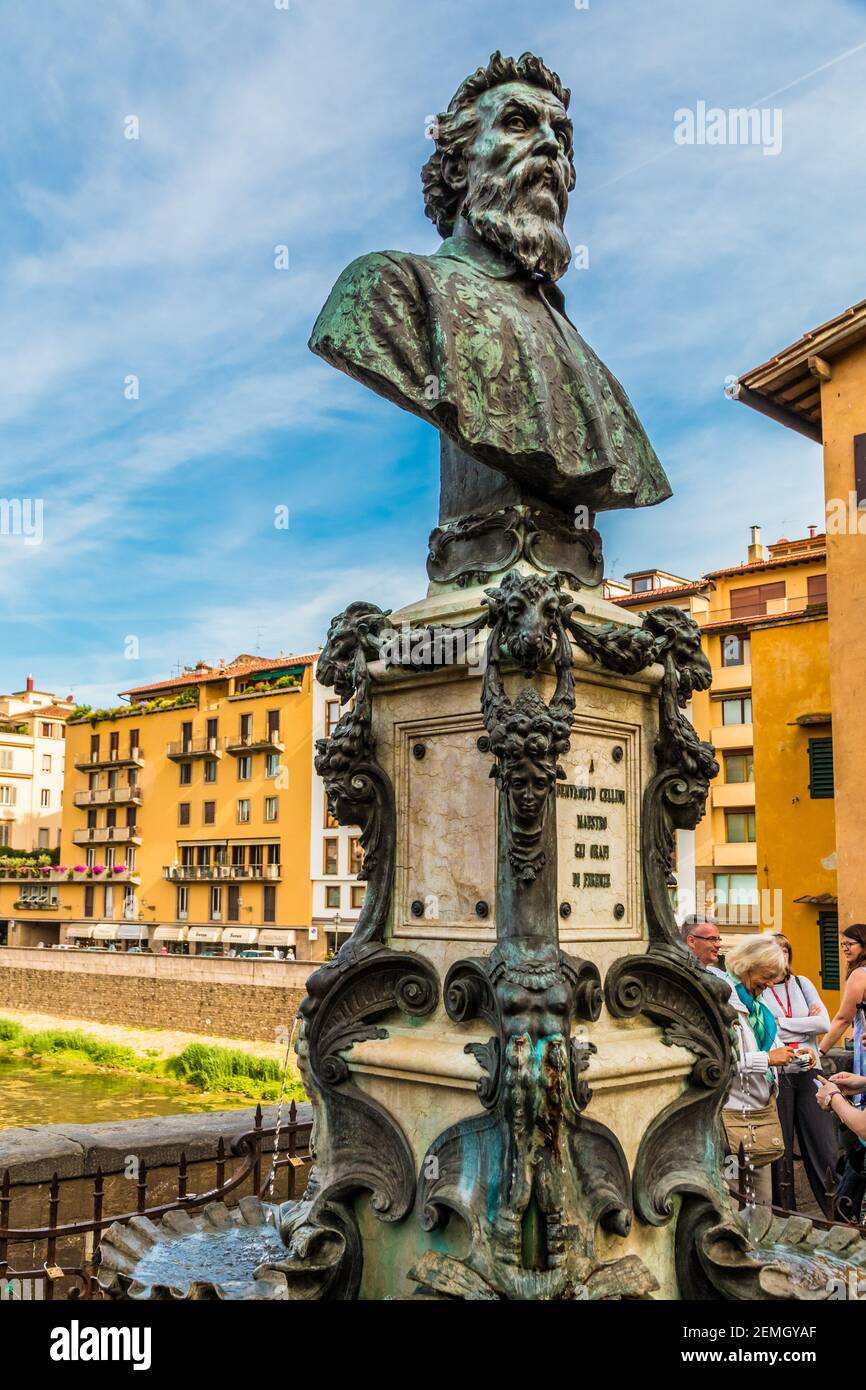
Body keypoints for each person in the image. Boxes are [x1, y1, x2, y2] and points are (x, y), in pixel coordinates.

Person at [721, 934, 801, 1204]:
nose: (769, 985)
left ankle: (758, 1245)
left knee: (762, 1202)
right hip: (732, 1119)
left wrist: (798, 1055)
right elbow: (723, 1063)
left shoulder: (758, 1005)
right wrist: (767, 1060)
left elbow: (775, 1046)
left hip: (760, 1117)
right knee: (730, 1196)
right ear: (747, 966)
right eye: (766, 976)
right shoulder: (725, 1003)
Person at [765, 934, 836, 1215]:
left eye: (785, 951)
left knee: (823, 1145)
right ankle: (785, 1215)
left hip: (810, 1071)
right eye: (775, 952)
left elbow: (824, 1023)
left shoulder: (802, 983)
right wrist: (803, 1025)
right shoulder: (760, 989)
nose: (781, 957)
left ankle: (834, 1211)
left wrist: (785, 1022)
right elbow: (769, 1031)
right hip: (779, 1073)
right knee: (779, 1149)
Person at [818, 923, 866, 1221]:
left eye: (851, 944)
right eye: (842, 944)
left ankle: (844, 1212)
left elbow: (841, 1018)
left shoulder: (860, 975)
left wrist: (820, 1052)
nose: (845, 948)